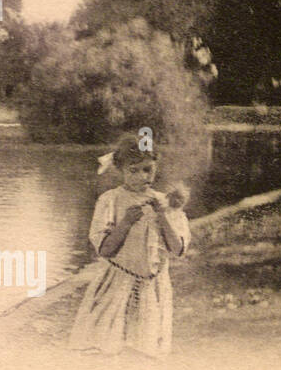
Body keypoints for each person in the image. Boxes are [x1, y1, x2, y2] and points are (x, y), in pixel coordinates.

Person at [68, 132, 191, 357]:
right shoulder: (110, 200)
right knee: (107, 349)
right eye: (133, 170)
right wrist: (126, 222)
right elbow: (105, 250)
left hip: (153, 286)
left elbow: (178, 250)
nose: (141, 176)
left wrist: (162, 216)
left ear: (155, 168)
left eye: (147, 169)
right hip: (116, 283)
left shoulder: (164, 203)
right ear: (121, 171)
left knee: (144, 352)